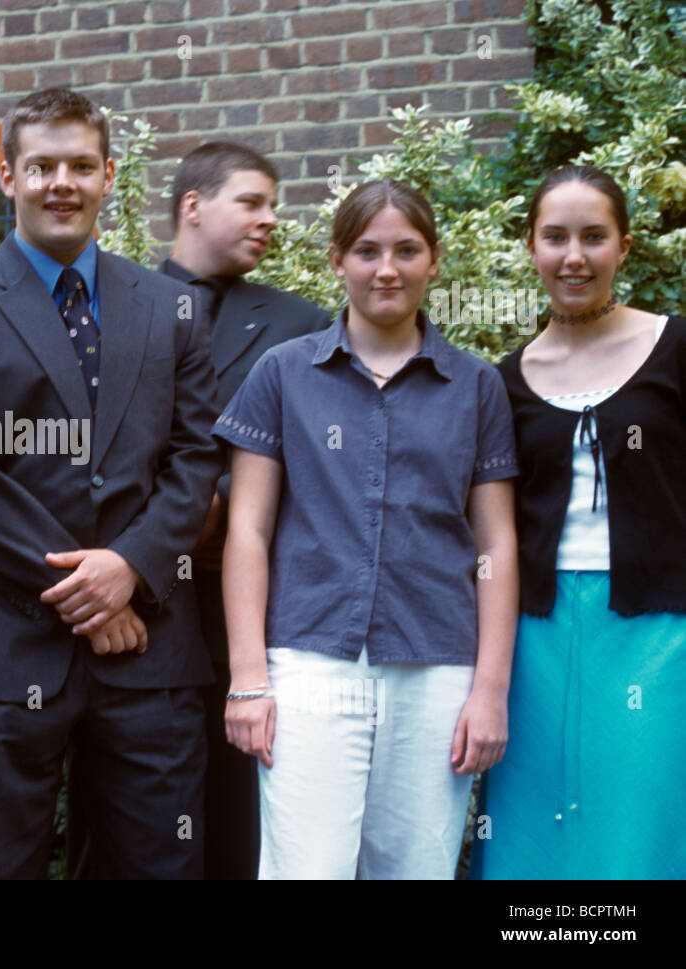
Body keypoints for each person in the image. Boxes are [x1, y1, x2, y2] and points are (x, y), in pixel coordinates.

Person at [0, 87, 223, 879]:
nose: (61, 183)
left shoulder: (176, 309)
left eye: (81, 165)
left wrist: (130, 569)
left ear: (110, 175)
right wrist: (86, 588)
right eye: (41, 166)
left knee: (159, 865)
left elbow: (196, 457)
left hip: (148, 645)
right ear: (7, 177)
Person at [215, 178, 519, 879]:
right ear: (337, 260)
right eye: (367, 250)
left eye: (407, 250)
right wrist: (248, 676)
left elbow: (496, 544)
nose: (387, 268)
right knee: (306, 867)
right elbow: (248, 531)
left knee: (416, 867)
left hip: (438, 666)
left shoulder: (476, 387)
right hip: (309, 662)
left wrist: (490, 689)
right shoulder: (283, 374)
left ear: (434, 260)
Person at [475, 165, 686, 879]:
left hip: (659, 630)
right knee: (533, 807)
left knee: (643, 806)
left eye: (593, 237)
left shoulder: (676, 348)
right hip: (534, 628)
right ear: (531, 247)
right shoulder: (502, 380)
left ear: (624, 247)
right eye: (555, 237)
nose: (574, 256)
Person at [159, 142, 331, 879]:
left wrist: (224, 507)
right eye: (252, 201)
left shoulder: (303, 322)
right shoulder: (119, 300)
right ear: (192, 205)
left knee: (244, 815)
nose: (271, 219)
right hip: (140, 602)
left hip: (257, 615)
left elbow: (322, 460)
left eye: (274, 204)